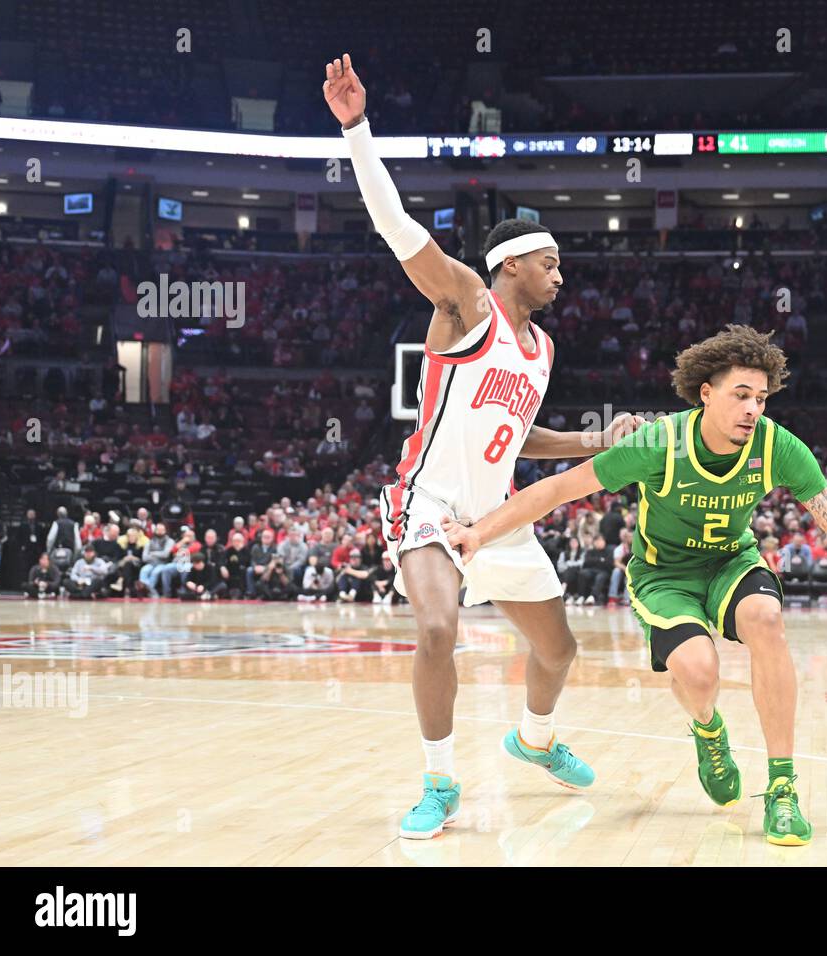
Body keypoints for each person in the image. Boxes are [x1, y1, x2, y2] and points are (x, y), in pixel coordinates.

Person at [444, 325, 827, 846]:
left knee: (766, 618)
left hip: (732, 563)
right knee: (698, 671)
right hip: (662, 575)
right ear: (706, 394)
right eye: (740, 395)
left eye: (760, 397)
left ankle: (782, 789)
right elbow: (558, 488)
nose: (753, 408)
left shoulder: (778, 447)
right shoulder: (658, 443)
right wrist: (477, 532)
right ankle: (709, 731)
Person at [325, 50, 642, 841]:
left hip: (498, 515)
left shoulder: (541, 350)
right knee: (438, 630)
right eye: (550, 262)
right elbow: (395, 225)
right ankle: (440, 783)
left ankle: (533, 742)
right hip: (429, 502)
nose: (561, 274)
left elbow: (515, 436)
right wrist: (357, 129)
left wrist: (591, 441)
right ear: (510, 267)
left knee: (560, 650)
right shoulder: (467, 301)